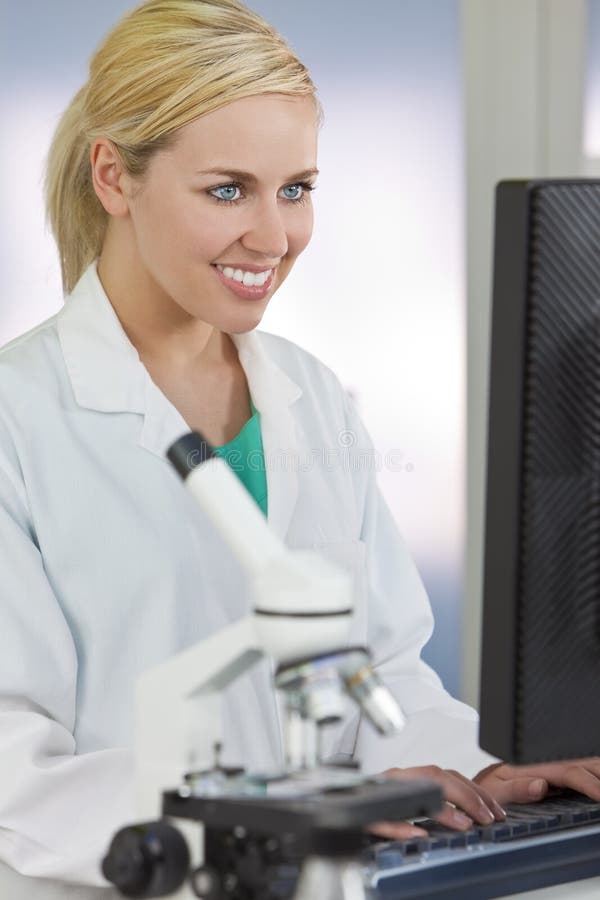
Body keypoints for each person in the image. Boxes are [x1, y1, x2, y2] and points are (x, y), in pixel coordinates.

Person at [1, 1, 600, 897]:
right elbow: (17, 768)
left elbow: (384, 665)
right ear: (114, 178)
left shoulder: (310, 396)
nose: (274, 237)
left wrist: (471, 775)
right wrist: (280, 810)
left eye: (297, 189)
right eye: (227, 189)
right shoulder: (20, 418)